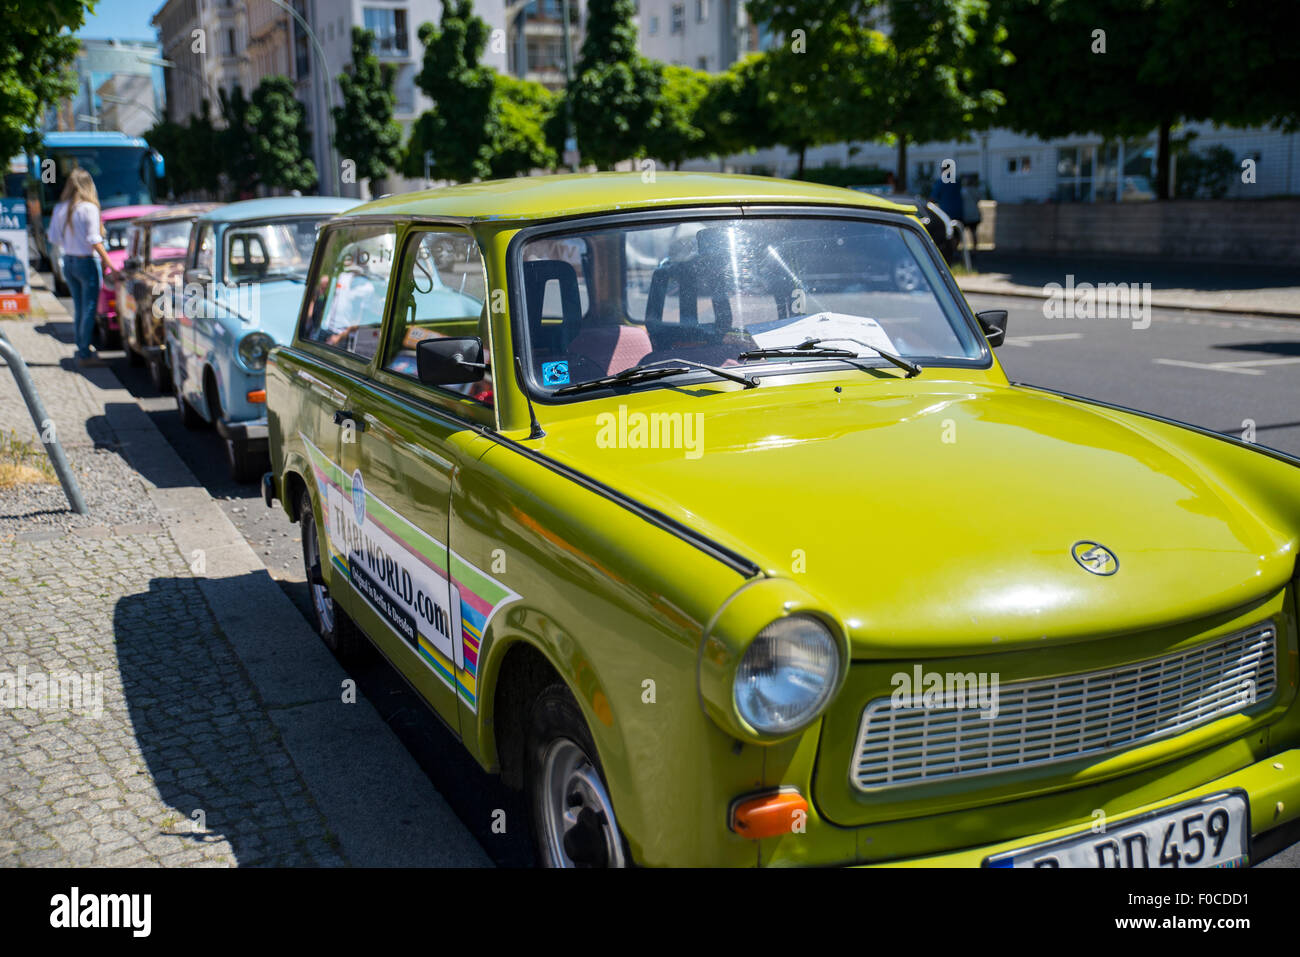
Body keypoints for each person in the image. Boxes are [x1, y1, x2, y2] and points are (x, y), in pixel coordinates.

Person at [50, 168, 115, 365]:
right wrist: (110, 263)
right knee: (89, 308)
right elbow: (94, 240)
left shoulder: (60, 208)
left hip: (68, 260)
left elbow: (53, 238)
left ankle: (82, 348)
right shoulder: (89, 208)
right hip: (86, 261)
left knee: (79, 307)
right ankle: (85, 353)